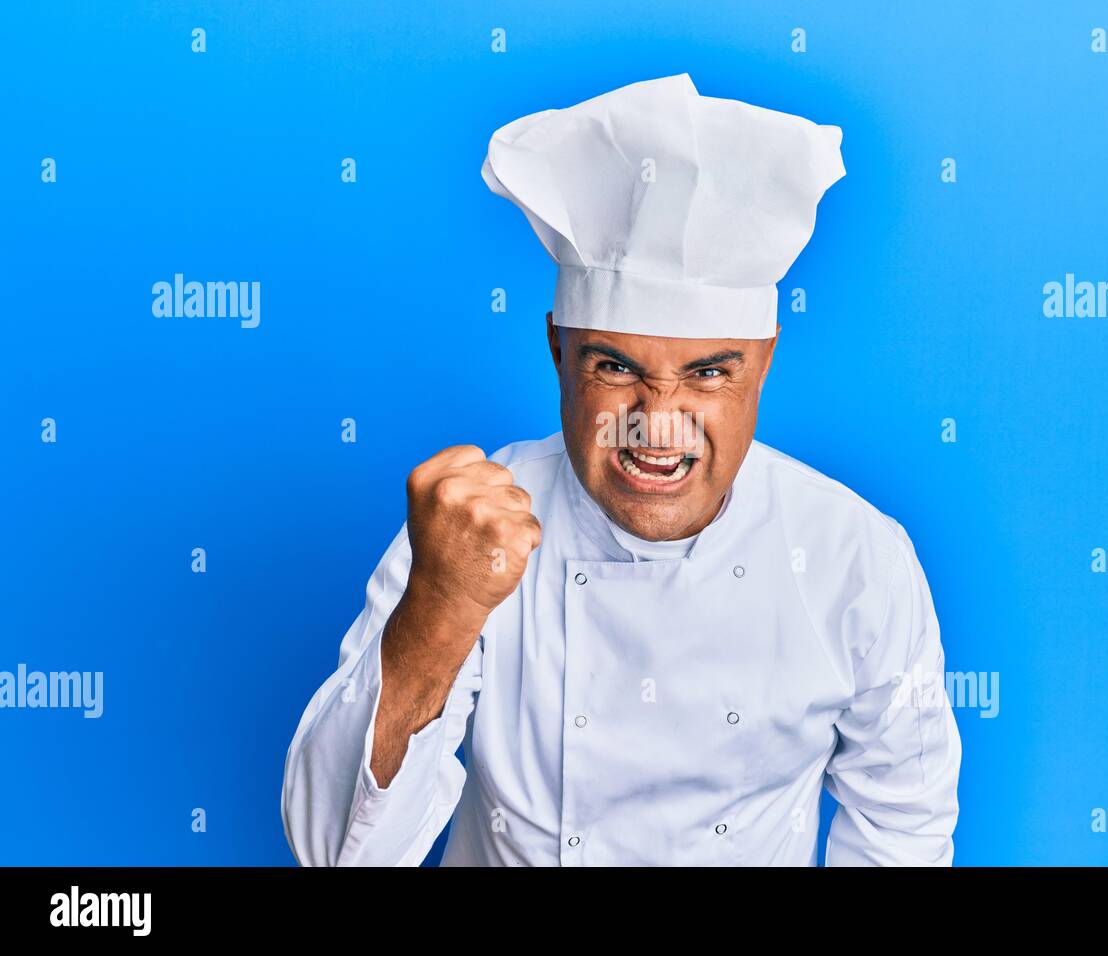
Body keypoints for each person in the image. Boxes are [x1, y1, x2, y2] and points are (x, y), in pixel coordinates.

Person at [280, 73, 961, 866]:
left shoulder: (855, 557)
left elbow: (903, 828)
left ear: (764, 365)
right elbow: (335, 852)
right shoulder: (469, 534)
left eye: (709, 373)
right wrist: (441, 606)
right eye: (615, 367)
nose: (659, 419)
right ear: (558, 351)